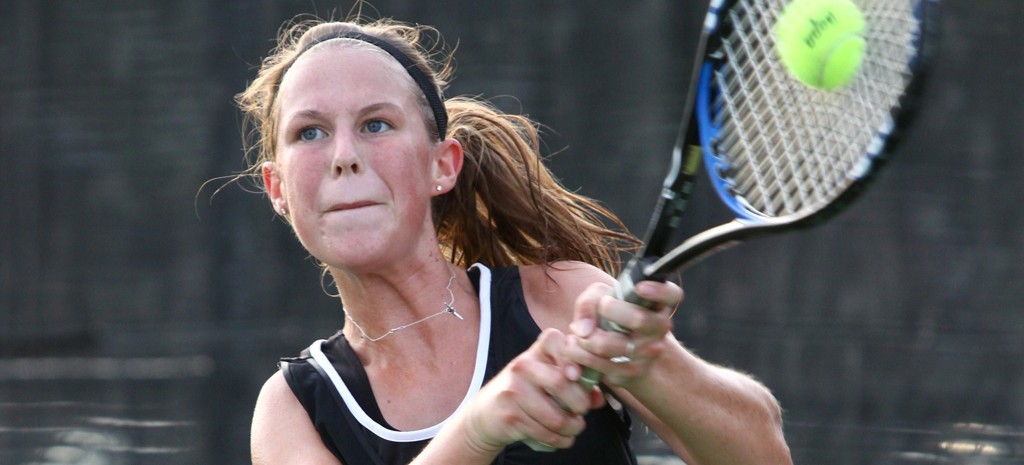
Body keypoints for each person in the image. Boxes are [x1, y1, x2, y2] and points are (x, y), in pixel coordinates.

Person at [237, 15, 792, 465]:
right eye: (309, 133)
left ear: (442, 165)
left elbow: (762, 455)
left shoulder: (560, 298)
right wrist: (479, 430)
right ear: (277, 188)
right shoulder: (293, 408)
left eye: (376, 124)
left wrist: (647, 365)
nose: (344, 156)